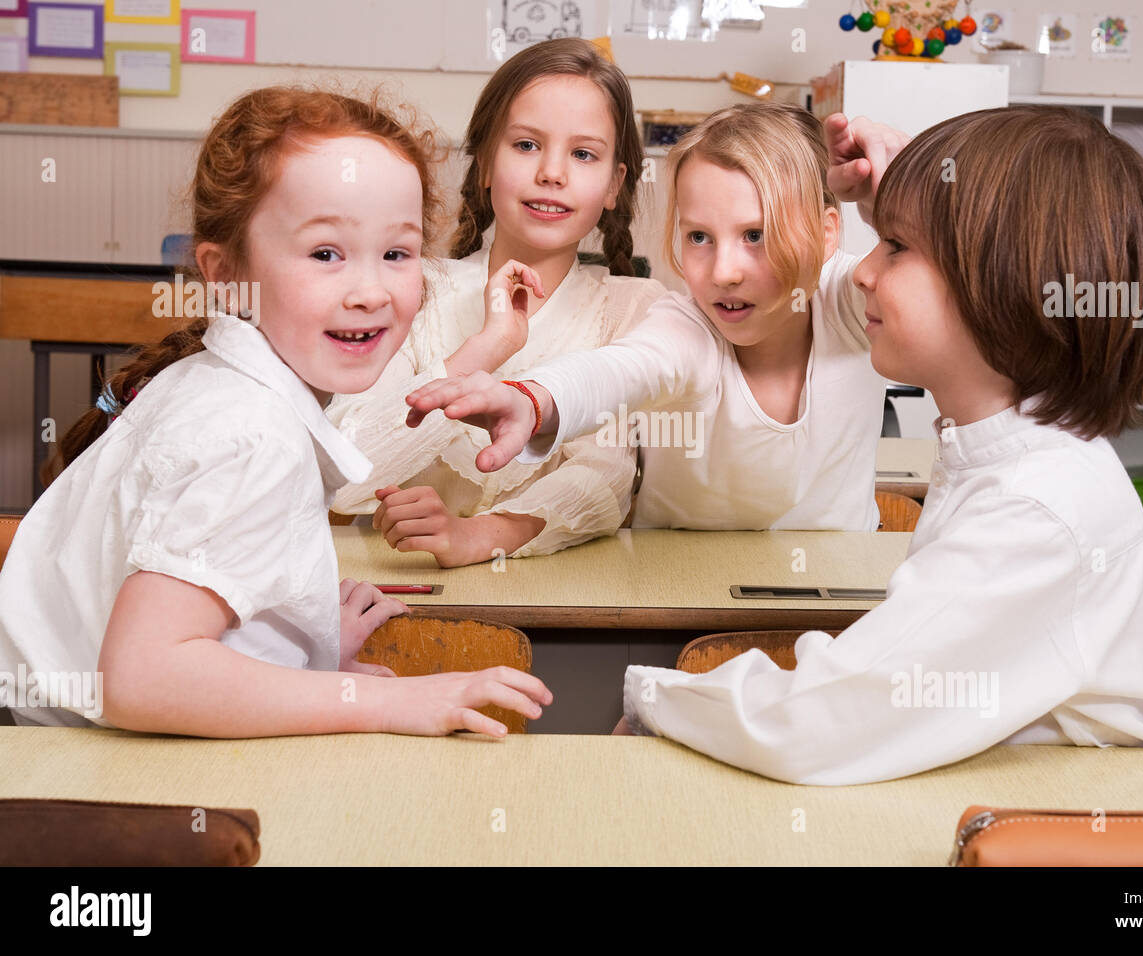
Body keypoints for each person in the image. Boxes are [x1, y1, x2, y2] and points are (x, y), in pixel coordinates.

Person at [423, 105, 1143, 784]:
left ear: (999, 287)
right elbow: (632, 365)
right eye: (697, 235)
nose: (863, 272)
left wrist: (652, 700)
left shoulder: (1037, 505)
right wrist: (539, 395)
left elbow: (833, 716)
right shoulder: (1021, 461)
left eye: (895, 247)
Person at [0, 87, 550, 736]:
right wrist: (383, 701)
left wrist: (290, 646)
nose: (369, 291)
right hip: (72, 787)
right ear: (226, 272)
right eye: (325, 253)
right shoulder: (251, 435)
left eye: (396, 253)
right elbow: (144, 677)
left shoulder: (219, 385)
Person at [405, 101, 890, 532]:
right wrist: (536, 400)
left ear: (827, 235)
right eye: (699, 236)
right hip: (678, 607)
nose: (724, 272)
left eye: (756, 235)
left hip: (848, 608)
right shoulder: (688, 324)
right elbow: (621, 369)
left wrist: (895, 188)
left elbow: (953, 280)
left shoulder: (857, 301)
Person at [325, 38, 665, 565]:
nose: (552, 172)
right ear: (484, 163)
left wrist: (480, 535)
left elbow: (605, 479)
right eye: (526, 145)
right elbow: (347, 478)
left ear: (614, 184)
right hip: (399, 594)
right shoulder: (414, 286)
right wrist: (487, 347)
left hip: (561, 601)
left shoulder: (633, 308)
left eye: (583, 153)